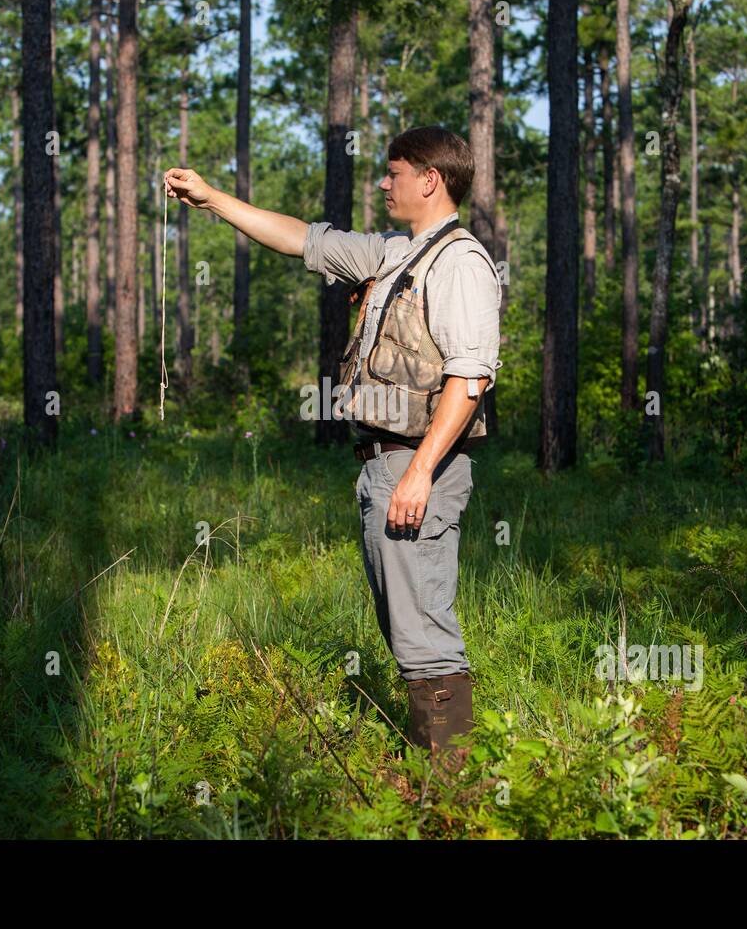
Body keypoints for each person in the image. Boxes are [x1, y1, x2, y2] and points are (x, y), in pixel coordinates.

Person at [164, 126, 502, 769]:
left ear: (430, 180)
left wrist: (419, 473)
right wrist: (210, 199)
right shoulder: (396, 253)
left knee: (424, 635)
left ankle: (455, 792)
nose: (383, 183)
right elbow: (301, 238)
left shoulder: (459, 262)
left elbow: (470, 380)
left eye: (394, 172)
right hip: (386, 464)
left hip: (413, 465)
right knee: (405, 626)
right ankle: (436, 783)